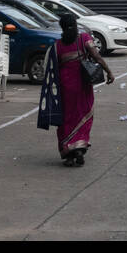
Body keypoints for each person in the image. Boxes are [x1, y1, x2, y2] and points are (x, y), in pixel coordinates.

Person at [38, 11, 113, 166]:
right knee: (83, 113)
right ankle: (79, 147)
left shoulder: (58, 45)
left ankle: (69, 152)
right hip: (83, 84)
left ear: (62, 27)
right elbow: (96, 57)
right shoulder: (84, 39)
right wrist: (109, 72)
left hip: (66, 86)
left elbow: (52, 69)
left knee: (66, 118)